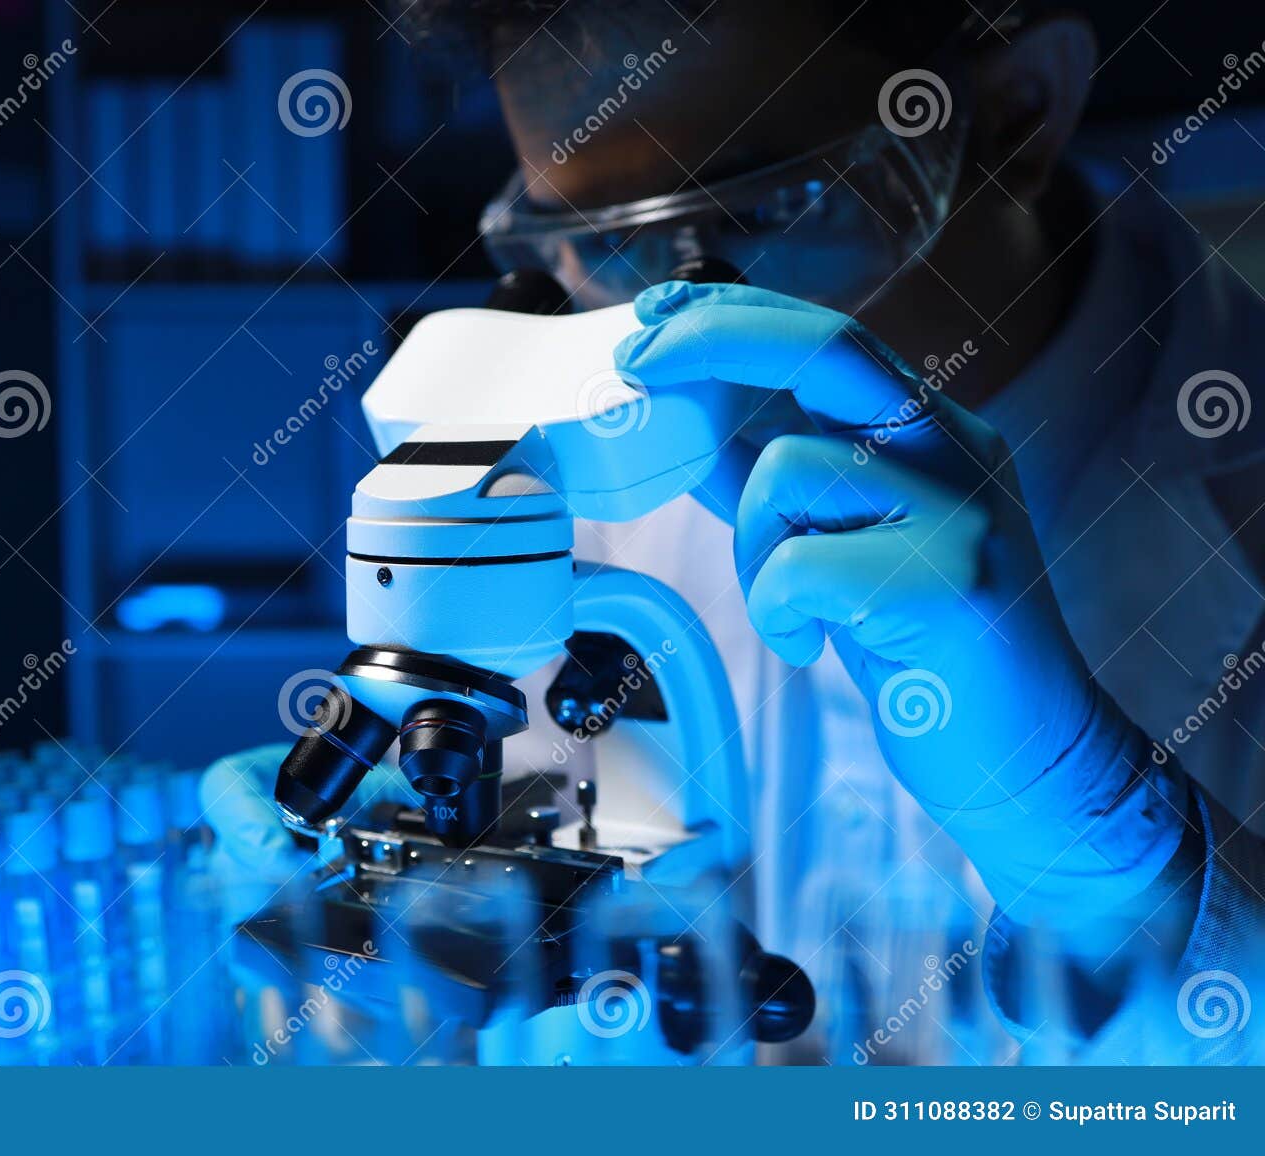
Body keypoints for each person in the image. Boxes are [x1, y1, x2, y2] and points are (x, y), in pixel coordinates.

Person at [206, 1, 1265, 1064]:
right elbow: (574, 851)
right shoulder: (618, 460)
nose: (671, 317)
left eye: (757, 210)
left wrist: (1114, 862)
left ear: (1011, 113)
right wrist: (438, 885)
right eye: (602, 242)